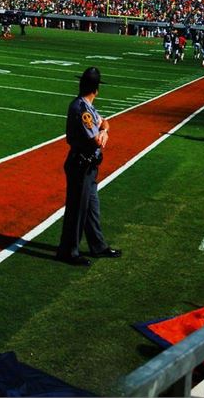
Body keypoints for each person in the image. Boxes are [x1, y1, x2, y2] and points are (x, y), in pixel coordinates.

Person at [56, 66, 121, 266]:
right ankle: (68, 251)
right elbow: (96, 140)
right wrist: (103, 134)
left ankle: (97, 245)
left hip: (89, 165)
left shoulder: (87, 107)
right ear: (96, 90)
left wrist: (105, 131)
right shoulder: (81, 109)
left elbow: (105, 123)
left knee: (92, 208)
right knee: (77, 210)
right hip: (81, 164)